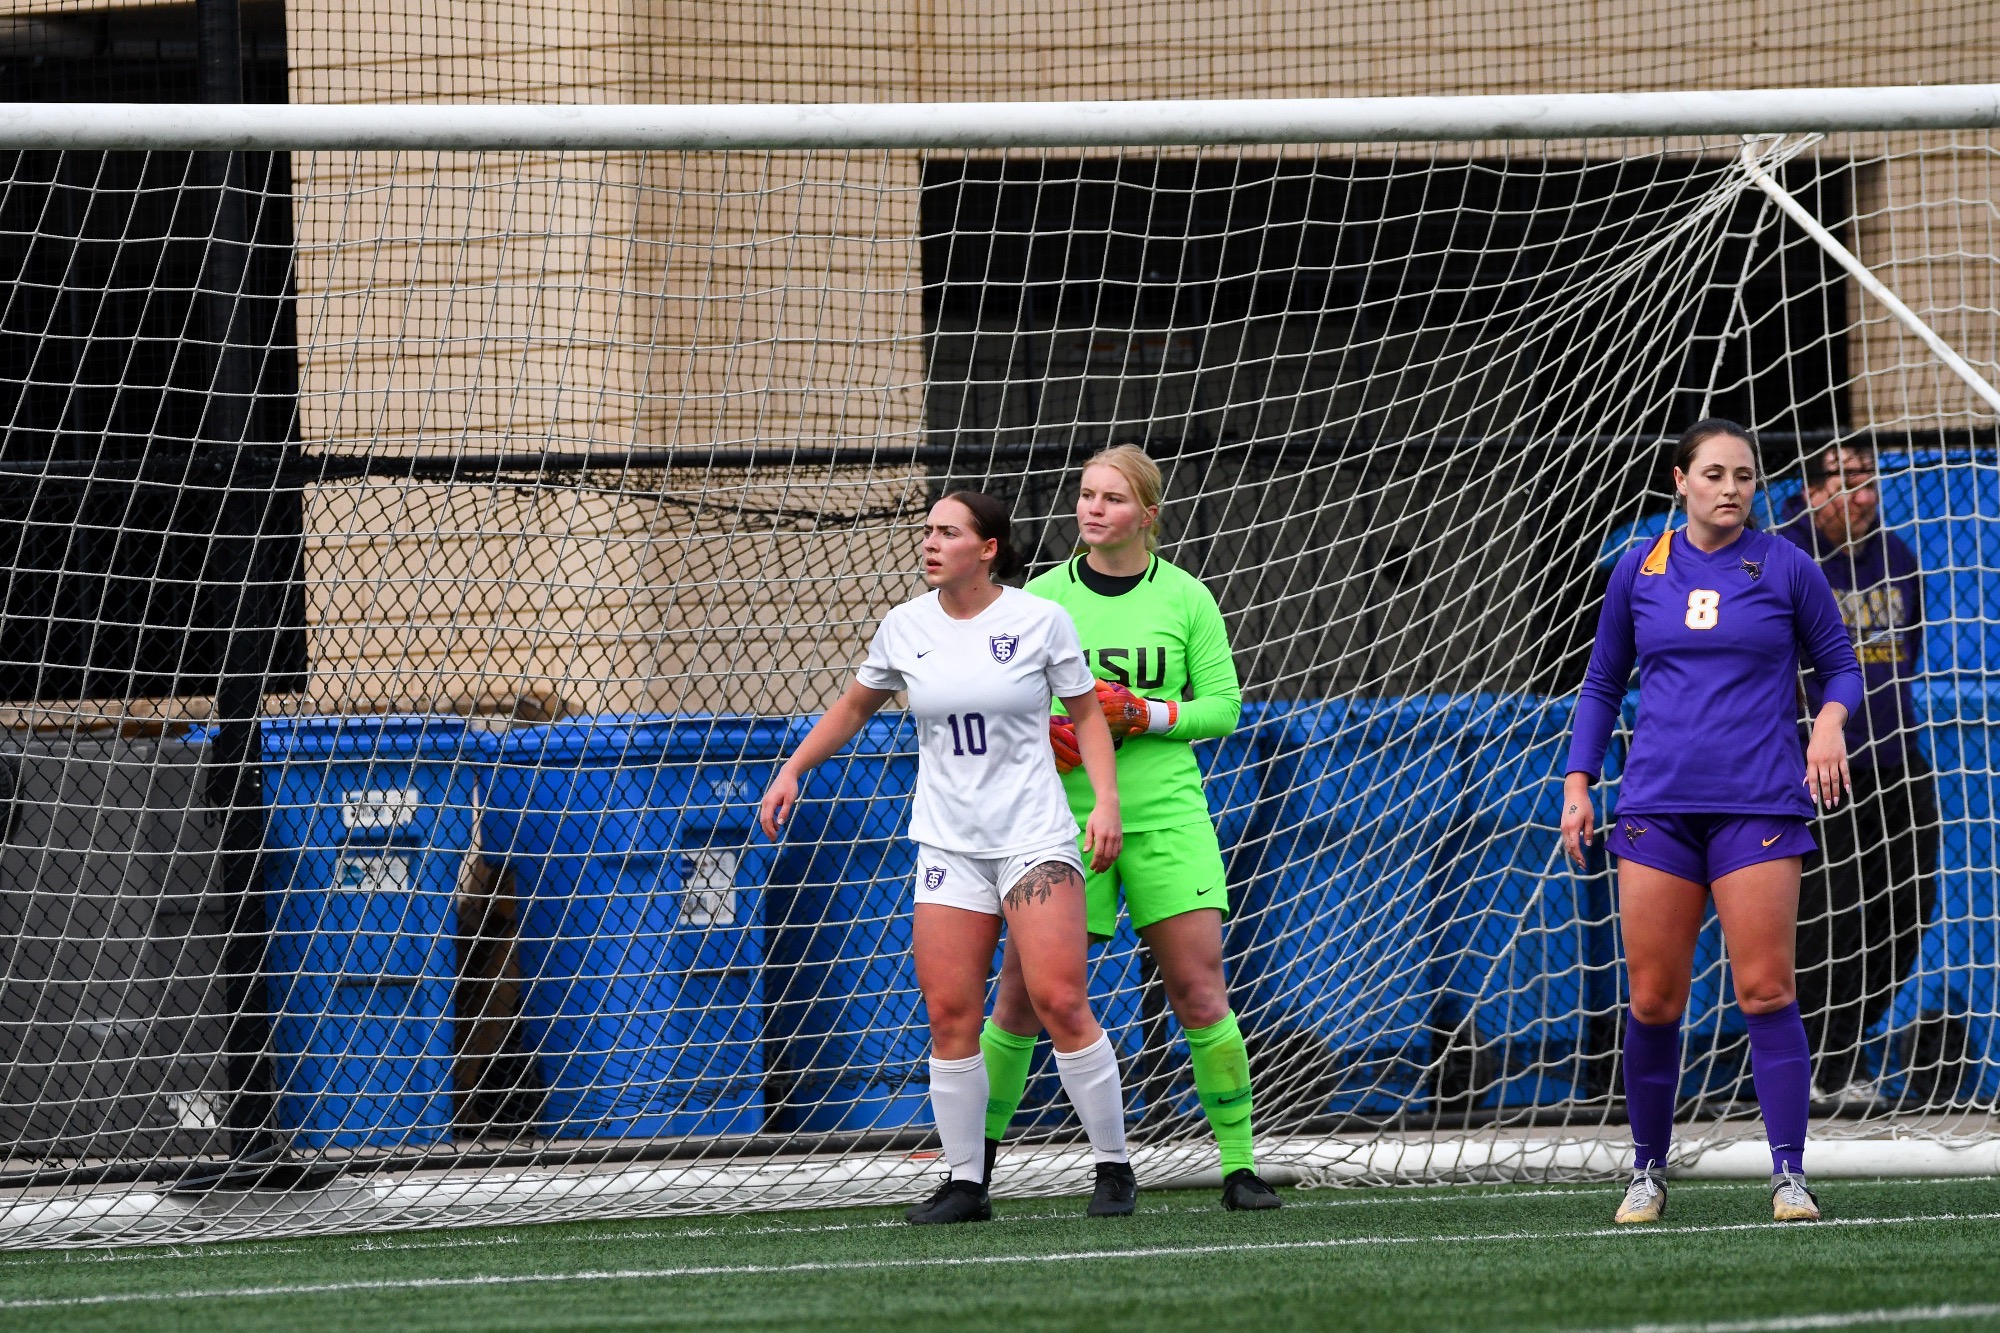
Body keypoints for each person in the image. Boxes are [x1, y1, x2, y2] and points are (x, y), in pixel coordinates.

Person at [759, 489, 1138, 1225]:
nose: (930, 542)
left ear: (987, 547)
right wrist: (793, 767)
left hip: (1033, 839)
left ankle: (1114, 1166)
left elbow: (1088, 713)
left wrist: (1107, 803)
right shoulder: (905, 625)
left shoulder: (1037, 619)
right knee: (949, 1012)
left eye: (947, 532)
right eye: (927, 531)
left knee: (1059, 1000)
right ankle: (966, 1182)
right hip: (949, 845)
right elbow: (853, 707)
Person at [1561, 419, 1864, 1227]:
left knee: (1764, 987)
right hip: (1656, 806)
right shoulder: (1639, 568)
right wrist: (1579, 781)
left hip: (1758, 802)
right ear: (1680, 480)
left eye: (1744, 475)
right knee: (1654, 999)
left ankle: (1790, 1175)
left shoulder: (1787, 566)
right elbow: (1600, 682)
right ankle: (1648, 1170)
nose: (1731, 488)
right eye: (1715, 473)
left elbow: (1840, 664)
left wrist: (1831, 720)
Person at [981, 444, 1281, 1212]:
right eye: (1085, 494)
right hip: (1061, 822)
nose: (1092, 508)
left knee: (1198, 988)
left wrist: (1143, 712)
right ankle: (970, 1166)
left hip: (1166, 816)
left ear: (1147, 513)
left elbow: (1223, 706)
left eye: (1112, 498)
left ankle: (1239, 1167)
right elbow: (998, 700)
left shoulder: (1187, 597)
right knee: (1020, 994)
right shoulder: (1041, 597)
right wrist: (1041, 730)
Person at [1777, 443, 1938, 1106]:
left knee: (1907, 906)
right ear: (1813, 491)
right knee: (1826, 914)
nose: (1863, 495)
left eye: (1868, 481)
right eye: (1845, 482)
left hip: (1894, 757)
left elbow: (1908, 650)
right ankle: (1806, 1058)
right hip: (1817, 763)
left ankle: (1843, 1053)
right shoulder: (1783, 554)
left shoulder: (1896, 558)